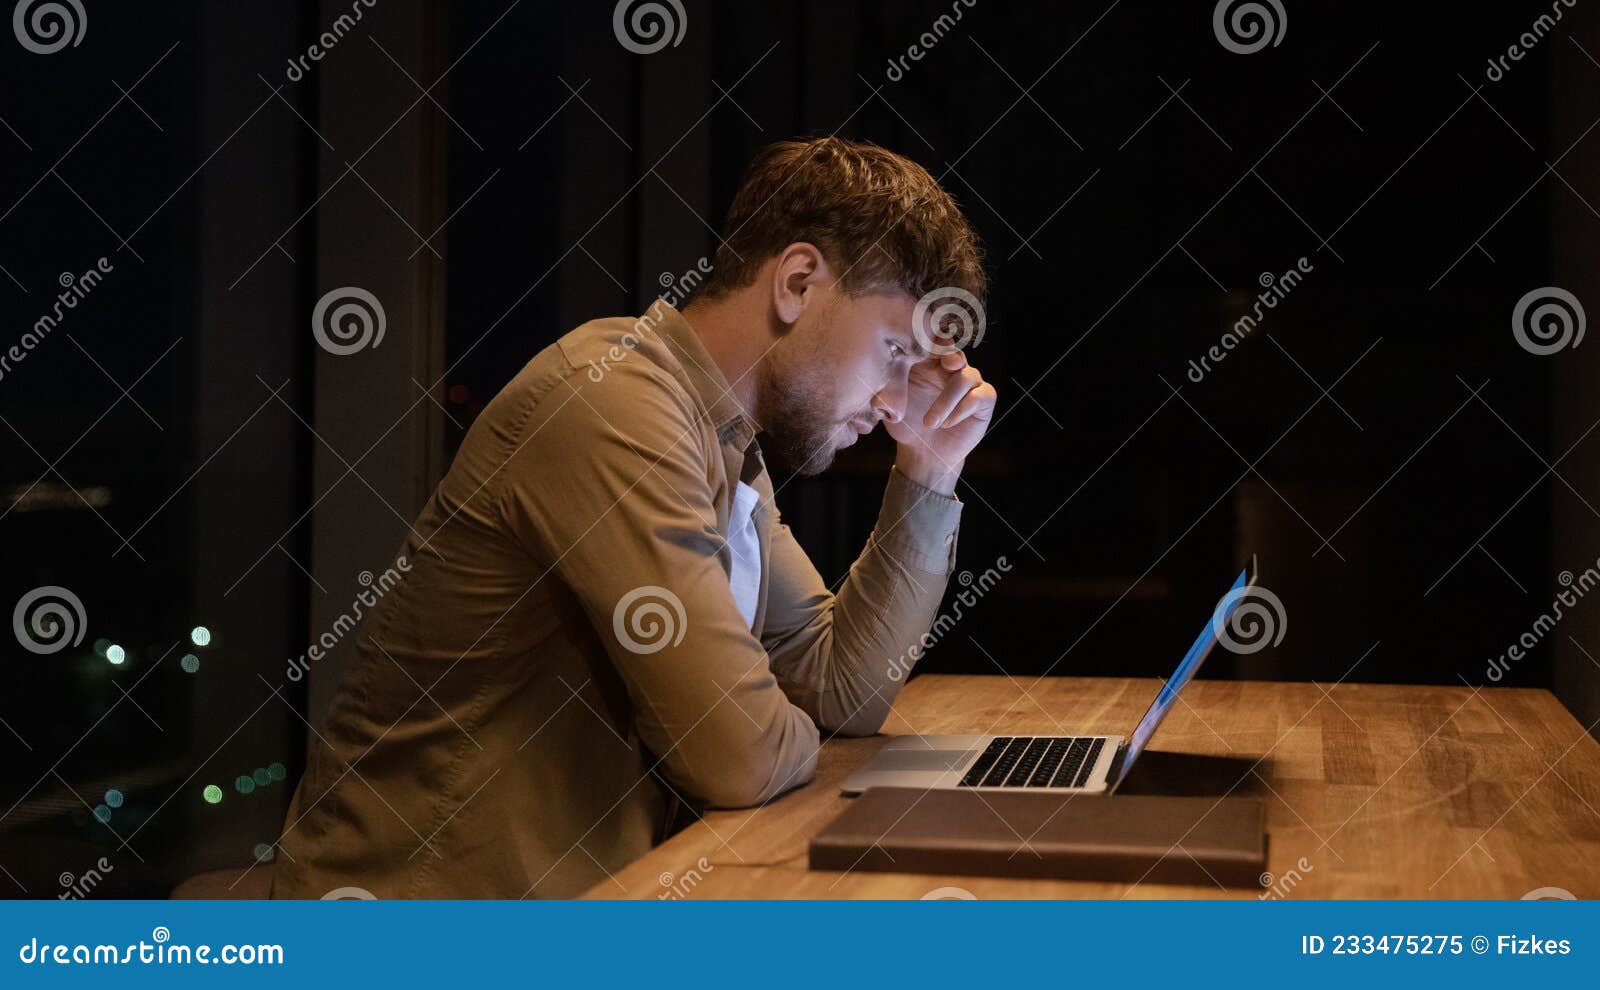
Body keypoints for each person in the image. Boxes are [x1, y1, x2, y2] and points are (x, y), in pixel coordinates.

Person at [270, 136, 996, 899]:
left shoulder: (726, 443)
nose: (892, 400)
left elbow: (845, 685)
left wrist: (930, 462)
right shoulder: (614, 405)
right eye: (890, 350)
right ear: (799, 281)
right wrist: (760, 714)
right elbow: (740, 754)